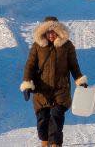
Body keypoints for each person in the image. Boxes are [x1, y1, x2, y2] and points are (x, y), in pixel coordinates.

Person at [21, 16, 88, 147]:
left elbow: (74, 65)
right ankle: (45, 142)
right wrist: (27, 83)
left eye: (54, 31)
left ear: (58, 31)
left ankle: (55, 144)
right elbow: (30, 65)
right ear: (44, 32)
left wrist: (79, 80)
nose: (51, 35)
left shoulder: (67, 46)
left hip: (61, 90)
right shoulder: (37, 46)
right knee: (42, 121)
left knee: (56, 118)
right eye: (48, 32)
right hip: (41, 91)